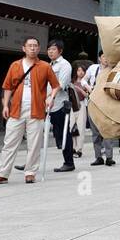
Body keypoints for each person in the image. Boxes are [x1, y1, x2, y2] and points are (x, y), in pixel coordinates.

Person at [0, 36, 59, 185]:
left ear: (39, 49)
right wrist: (5, 105)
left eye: (35, 45)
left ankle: (30, 172)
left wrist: (50, 97)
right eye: (30, 45)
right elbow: (7, 87)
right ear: (24, 48)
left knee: (34, 144)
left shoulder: (45, 66)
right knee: (9, 142)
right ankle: (2, 174)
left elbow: (56, 85)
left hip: (37, 109)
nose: (32, 48)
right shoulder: (15, 65)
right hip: (16, 109)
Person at [46, 39, 75, 172]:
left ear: (60, 51)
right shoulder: (49, 65)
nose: (51, 52)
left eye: (53, 49)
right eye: (49, 49)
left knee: (63, 133)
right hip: (46, 104)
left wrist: (50, 97)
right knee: (36, 132)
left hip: (59, 105)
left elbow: (61, 85)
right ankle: (31, 161)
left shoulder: (65, 65)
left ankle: (69, 162)